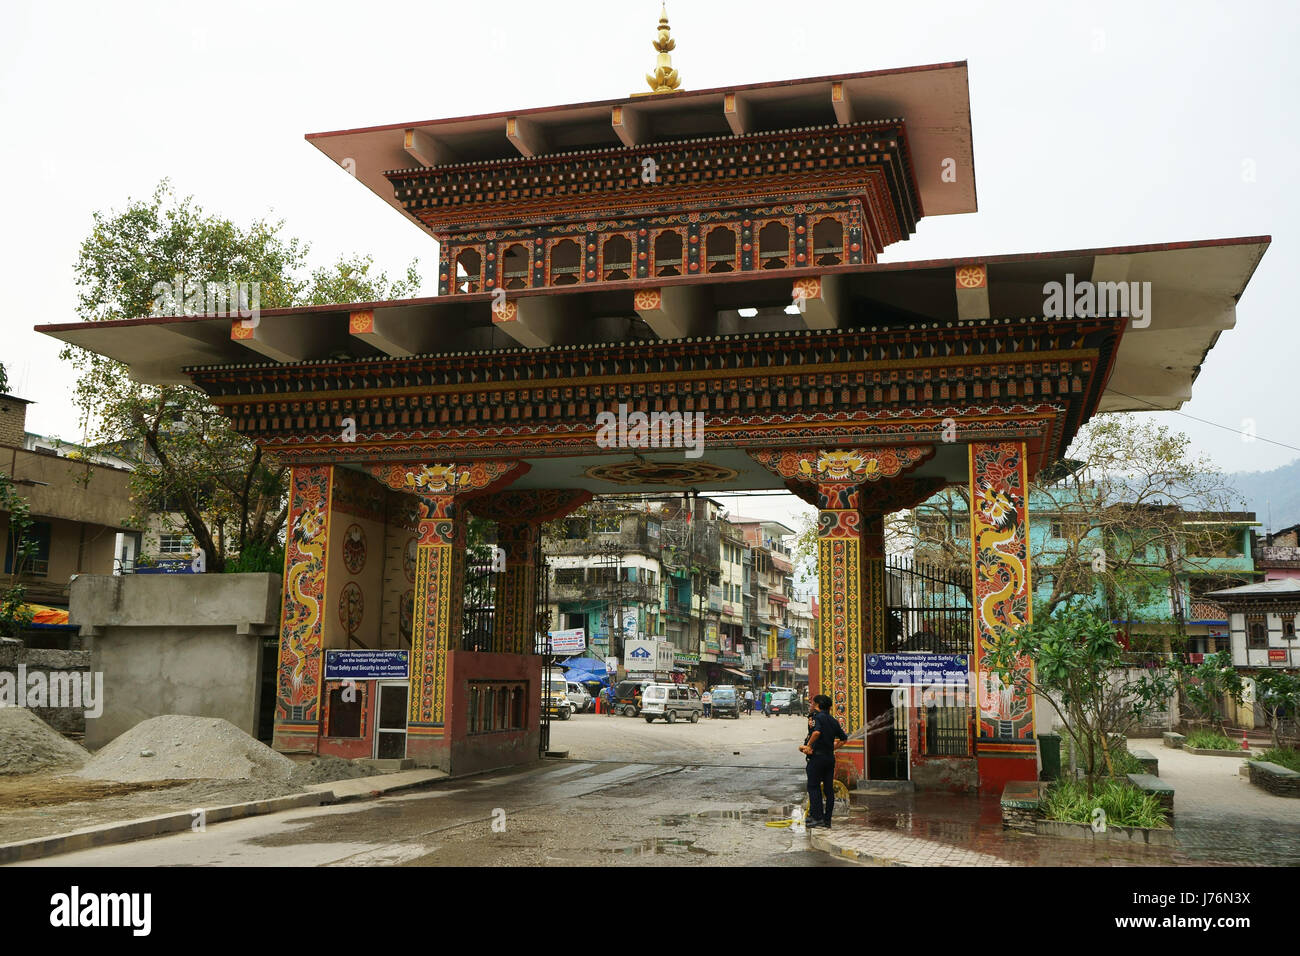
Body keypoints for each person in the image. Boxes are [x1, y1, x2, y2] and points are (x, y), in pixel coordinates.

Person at [799, 694, 847, 829]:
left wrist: (808, 746)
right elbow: (844, 739)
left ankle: (816, 817)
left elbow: (816, 733)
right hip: (829, 759)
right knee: (828, 789)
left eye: (814, 704)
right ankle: (827, 820)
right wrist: (832, 748)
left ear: (818, 705)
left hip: (817, 758)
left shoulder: (817, 717)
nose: (812, 706)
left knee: (813, 787)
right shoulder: (833, 720)